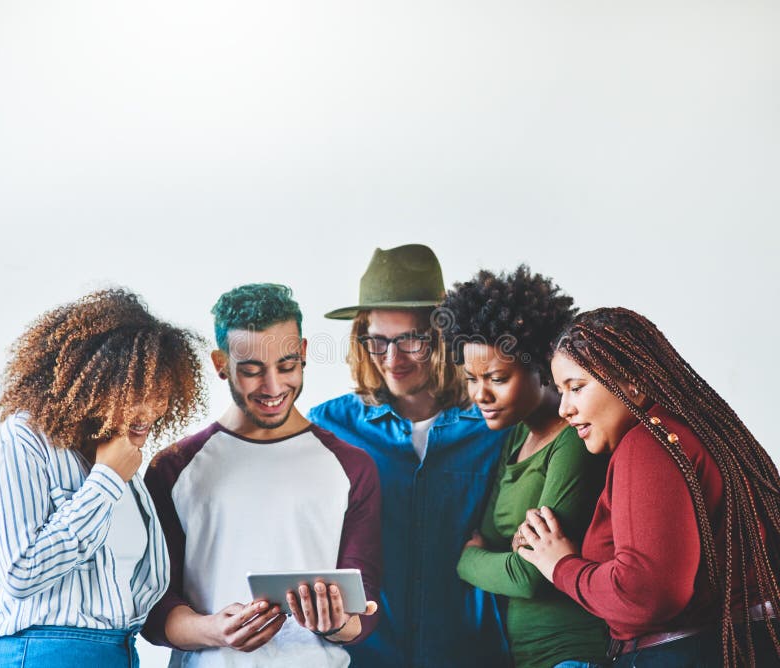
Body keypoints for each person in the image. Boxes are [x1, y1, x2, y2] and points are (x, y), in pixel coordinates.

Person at [515, 307, 780, 667]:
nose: (565, 408)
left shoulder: (647, 445)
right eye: (561, 391)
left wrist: (560, 564)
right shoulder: (694, 432)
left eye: (577, 388)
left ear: (632, 383)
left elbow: (646, 594)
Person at [141, 283, 382, 668]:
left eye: (286, 366)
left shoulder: (353, 467)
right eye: (252, 371)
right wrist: (215, 631)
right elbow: (153, 610)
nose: (273, 387)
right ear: (221, 364)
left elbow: (365, 609)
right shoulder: (174, 467)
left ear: (303, 354)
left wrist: (336, 623)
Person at [0, 289, 207, 668]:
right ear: (95, 385)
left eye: (161, 394)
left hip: (118, 652)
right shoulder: (26, 439)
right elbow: (21, 573)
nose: (148, 410)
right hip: (40, 653)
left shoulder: (126, 463)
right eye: (135, 392)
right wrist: (104, 481)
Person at [309, 245, 509, 667]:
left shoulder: (495, 427)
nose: (392, 359)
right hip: (364, 656)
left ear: (442, 336)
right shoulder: (327, 428)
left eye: (410, 340)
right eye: (377, 341)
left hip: (471, 654)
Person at [439, 267, 609, 668]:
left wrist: (466, 561)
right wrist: (506, 556)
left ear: (540, 364)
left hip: (574, 656)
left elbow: (529, 576)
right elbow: (498, 542)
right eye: (471, 379)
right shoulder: (516, 437)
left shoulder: (572, 442)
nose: (481, 394)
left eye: (497, 378)